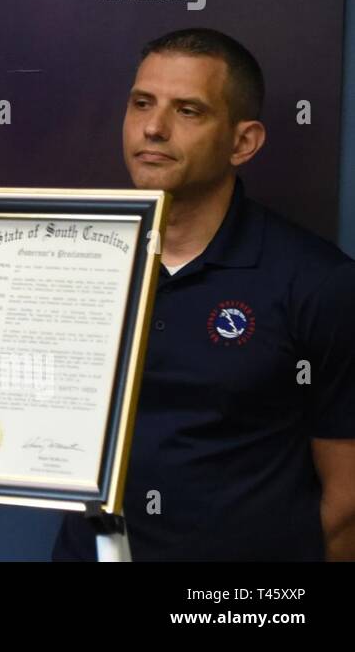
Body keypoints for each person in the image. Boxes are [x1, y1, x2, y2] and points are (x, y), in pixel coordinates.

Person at [55, 28, 355, 560]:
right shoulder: (69, 262)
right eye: (142, 103)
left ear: (243, 142)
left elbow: (346, 501)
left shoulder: (318, 283)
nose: (153, 128)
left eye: (188, 111)